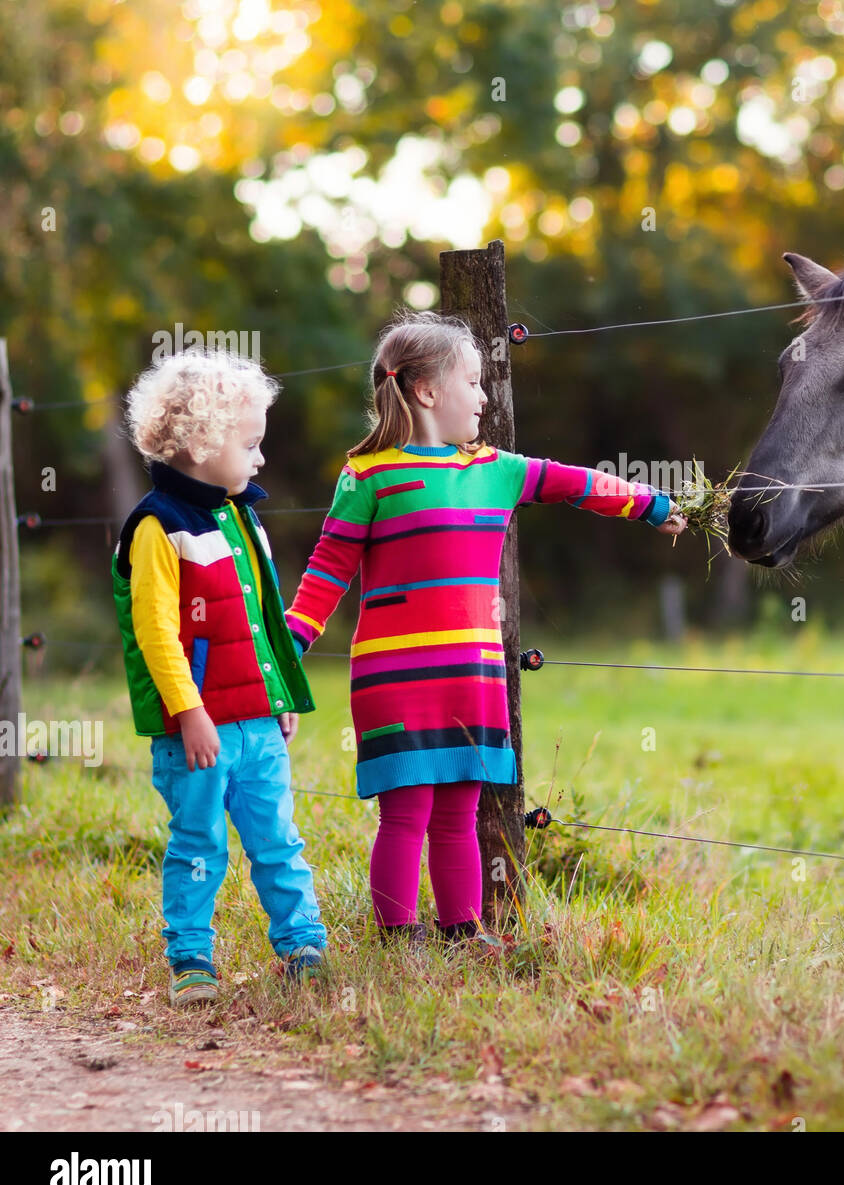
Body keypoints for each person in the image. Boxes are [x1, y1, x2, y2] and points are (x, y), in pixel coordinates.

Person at [285, 312, 686, 949]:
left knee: (460, 813)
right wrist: (289, 649)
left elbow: (576, 484)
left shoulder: (496, 469)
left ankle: (462, 931)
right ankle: (398, 936)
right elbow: (328, 569)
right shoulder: (367, 476)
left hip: (469, 676)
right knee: (406, 813)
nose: (484, 396)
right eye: (472, 382)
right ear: (426, 392)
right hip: (394, 677)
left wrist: (651, 505)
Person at [111, 350, 327, 1006]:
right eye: (251, 443)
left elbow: (262, 614)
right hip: (195, 733)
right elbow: (155, 633)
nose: (260, 458)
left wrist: (279, 692)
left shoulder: (242, 516)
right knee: (200, 842)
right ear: (203, 443)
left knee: (277, 838)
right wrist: (191, 712)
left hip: (258, 722)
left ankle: (303, 946)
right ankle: (191, 959)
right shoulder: (157, 528)